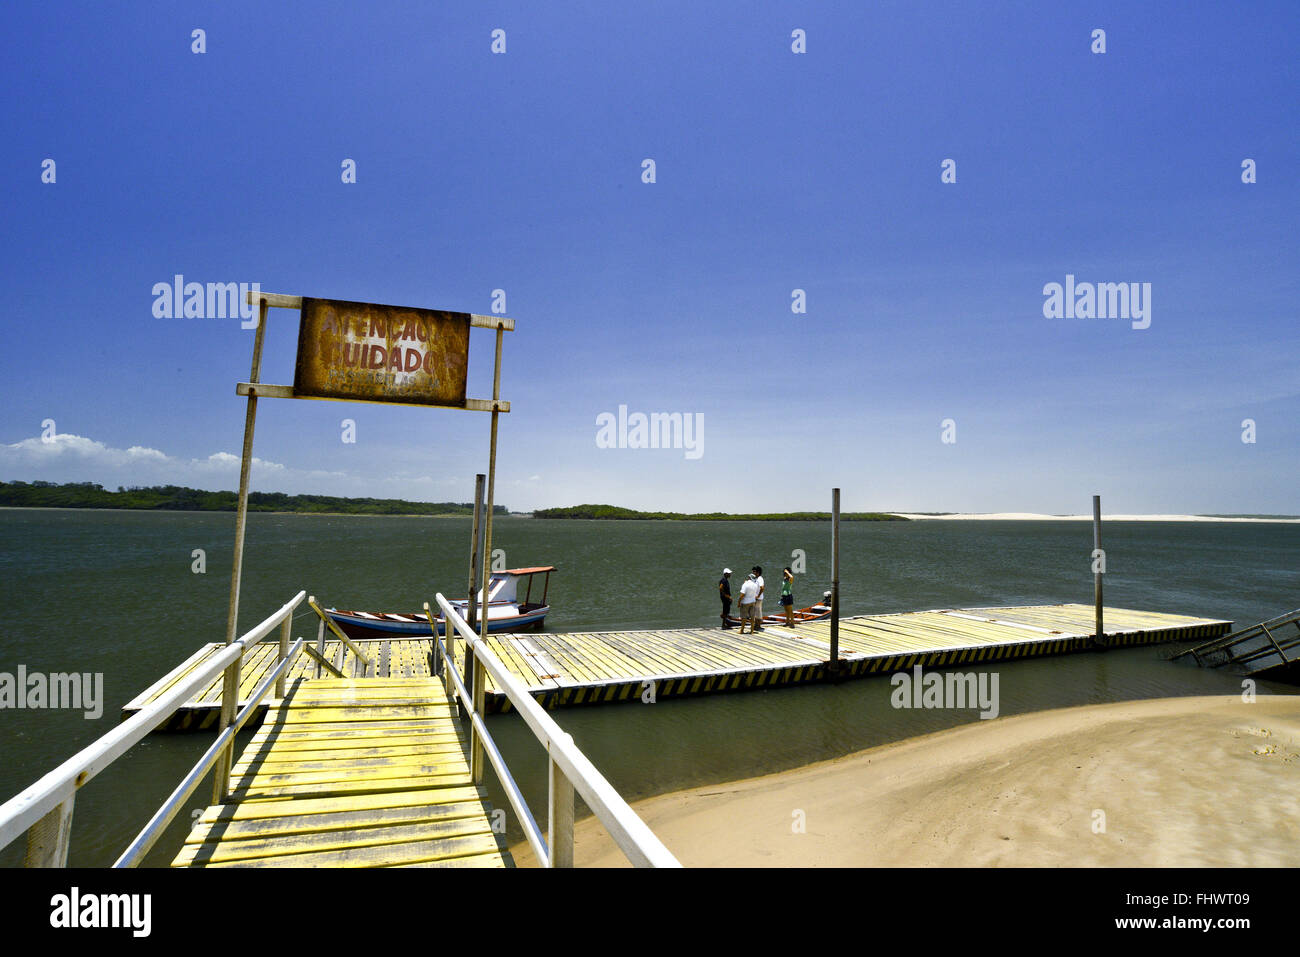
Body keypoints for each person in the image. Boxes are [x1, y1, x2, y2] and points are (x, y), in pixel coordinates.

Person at [751, 566, 765, 631]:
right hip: (755, 598)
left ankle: (758, 625)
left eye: (754, 571)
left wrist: (758, 596)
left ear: (758, 572)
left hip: (758, 599)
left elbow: (762, 588)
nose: (753, 573)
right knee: (755, 612)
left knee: (758, 612)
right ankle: (756, 625)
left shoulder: (760, 579)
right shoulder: (756, 579)